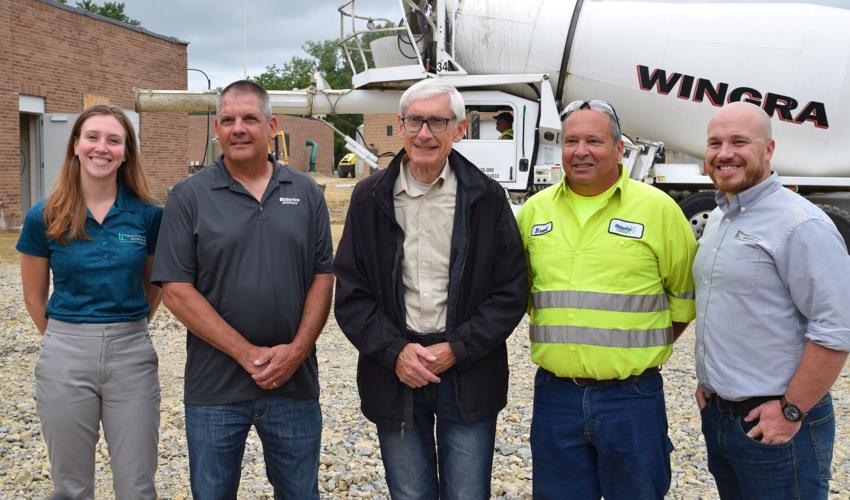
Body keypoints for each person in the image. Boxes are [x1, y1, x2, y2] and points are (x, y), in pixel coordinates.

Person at [334, 78, 528, 499]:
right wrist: (394, 352)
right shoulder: (369, 199)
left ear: (459, 129)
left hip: (468, 370)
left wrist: (456, 348)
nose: (425, 133)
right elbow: (351, 294)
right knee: (409, 494)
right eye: (415, 121)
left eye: (438, 122)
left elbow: (511, 291)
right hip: (395, 371)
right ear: (400, 126)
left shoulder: (486, 199)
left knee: (466, 493)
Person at [152, 80, 333, 499]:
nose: (238, 128)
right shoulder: (188, 197)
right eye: (228, 120)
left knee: (301, 493)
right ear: (217, 129)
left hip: (295, 385)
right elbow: (176, 290)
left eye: (249, 118)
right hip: (215, 389)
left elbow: (323, 277)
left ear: (271, 126)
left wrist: (297, 351)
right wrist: (246, 353)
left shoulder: (305, 193)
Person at [516, 99, 697, 500]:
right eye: (571, 141)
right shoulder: (532, 214)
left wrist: (629, 351)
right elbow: (523, 293)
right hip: (556, 396)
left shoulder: (659, 210)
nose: (580, 151)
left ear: (619, 149)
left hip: (631, 399)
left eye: (594, 141)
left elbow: (682, 297)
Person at [694, 102, 850, 499]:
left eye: (739, 141)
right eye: (715, 142)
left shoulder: (801, 224)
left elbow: (835, 329)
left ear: (768, 150)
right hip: (722, 417)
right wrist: (710, 381)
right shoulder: (720, 219)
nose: (724, 152)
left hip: (778, 424)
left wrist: (792, 410)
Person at [17, 104, 163, 499]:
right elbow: (33, 295)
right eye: (93, 137)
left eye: (114, 140)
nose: (102, 148)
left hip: (131, 352)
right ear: (76, 146)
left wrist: (127, 329)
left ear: (126, 152)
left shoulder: (148, 215)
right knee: (70, 487)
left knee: (136, 485)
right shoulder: (44, 216)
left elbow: (155, 285)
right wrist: (63, 338)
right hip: (65, 351)